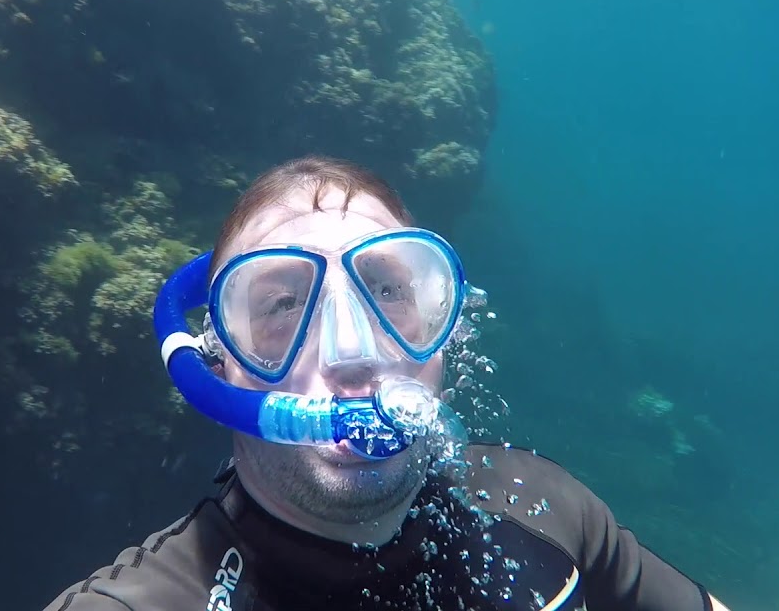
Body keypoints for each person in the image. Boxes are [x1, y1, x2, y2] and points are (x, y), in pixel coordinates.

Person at [42, 155, 733, 611]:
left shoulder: (549, 511)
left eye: (387, 290)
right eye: (282, 305)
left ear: (446, 335)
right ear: (218, 365)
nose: (353, 353)